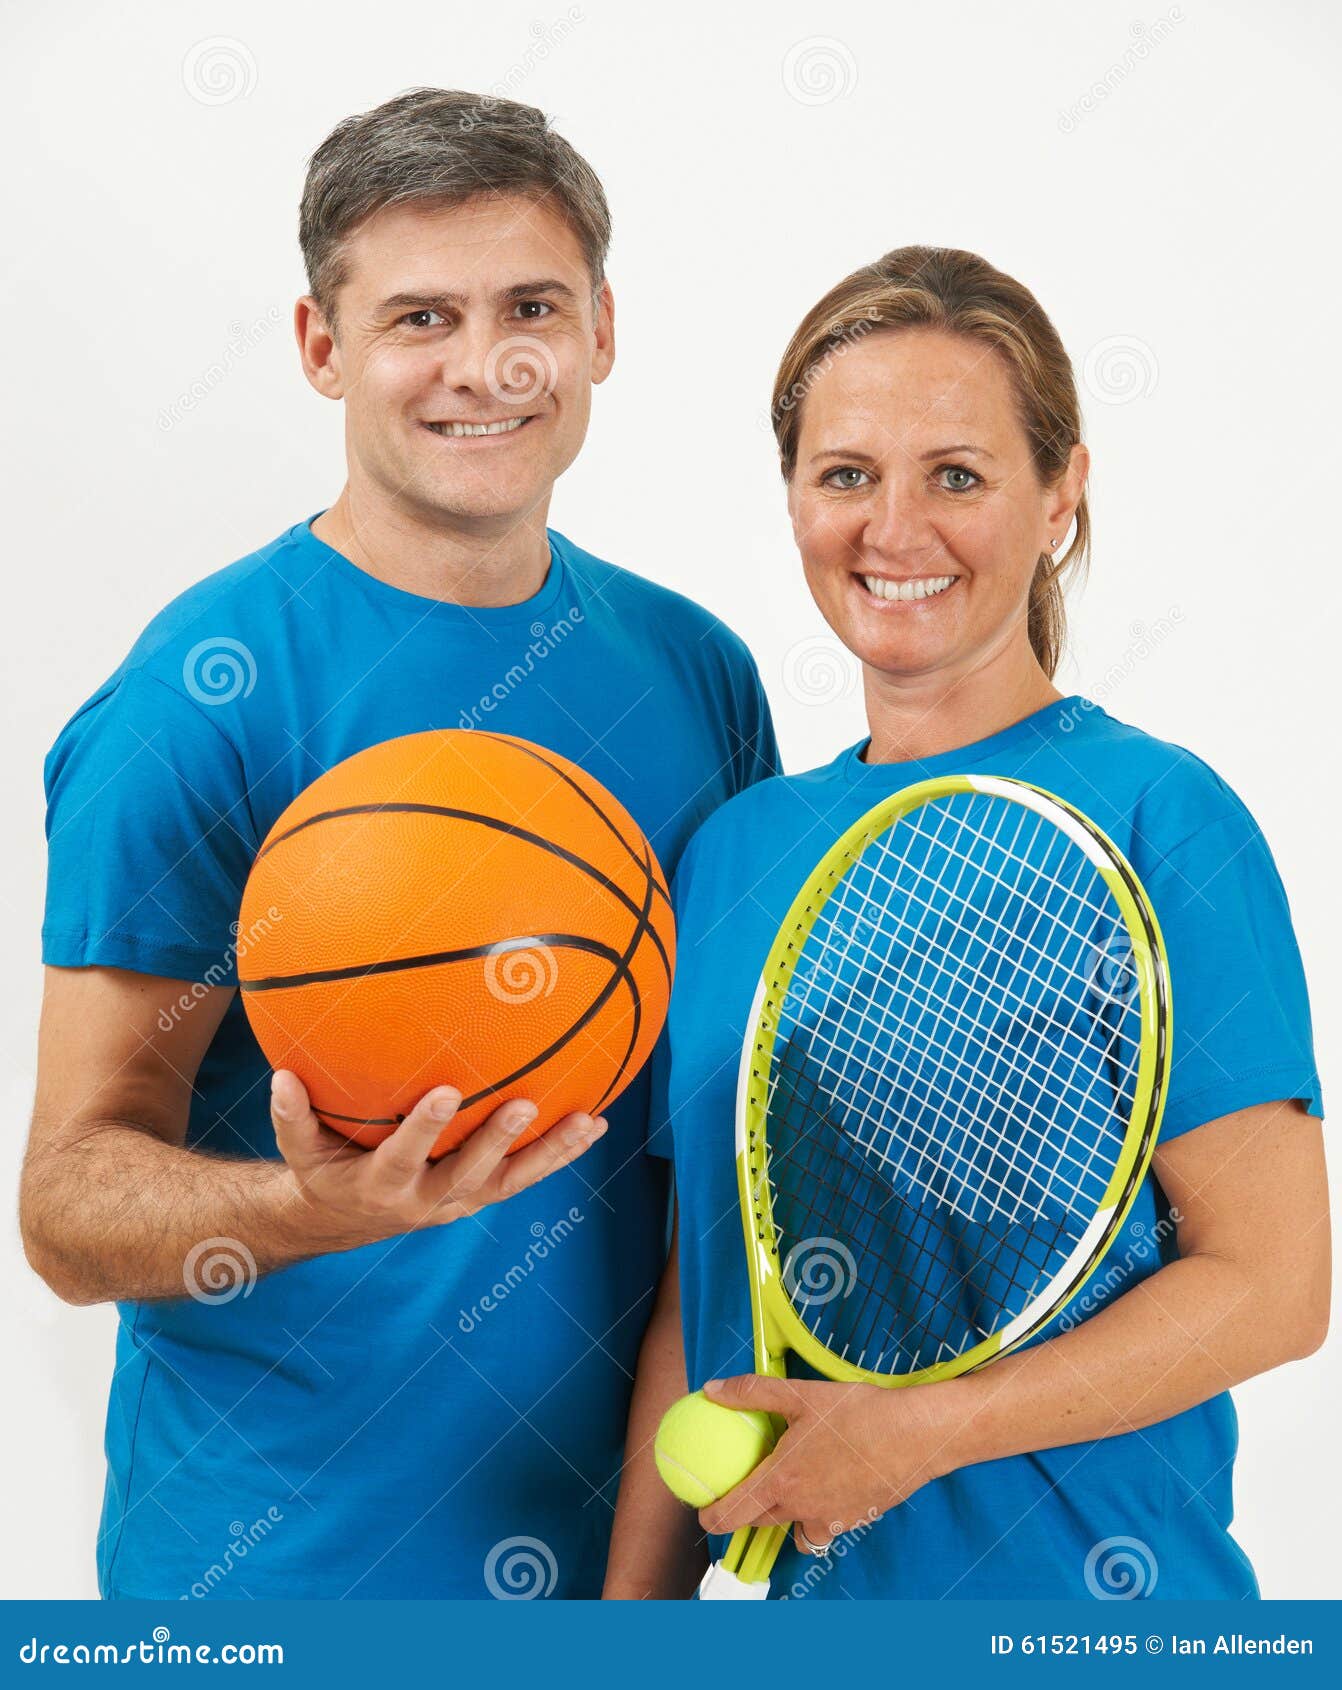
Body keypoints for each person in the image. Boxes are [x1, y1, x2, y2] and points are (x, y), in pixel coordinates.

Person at [21, 88, 777, 1601]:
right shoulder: (203, 691)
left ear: (602, 331)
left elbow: (713, 1143)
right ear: (321, 347)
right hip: (273, 1572)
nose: (482, 366)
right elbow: (67, 1197)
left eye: (530, 308)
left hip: (608, 1571)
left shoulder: (696, 670)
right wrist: (306, 1209)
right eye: (418, 315)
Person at [604, 246, 1328, 1601]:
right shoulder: (733, 851)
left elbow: (1274, 1282)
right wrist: (626, 1624)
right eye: (844, 475)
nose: (894, 527)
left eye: (956, 473)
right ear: (793, 501)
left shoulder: (1160, 818)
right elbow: (695, 1281)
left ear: (1060, 495)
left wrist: (910, 1437)